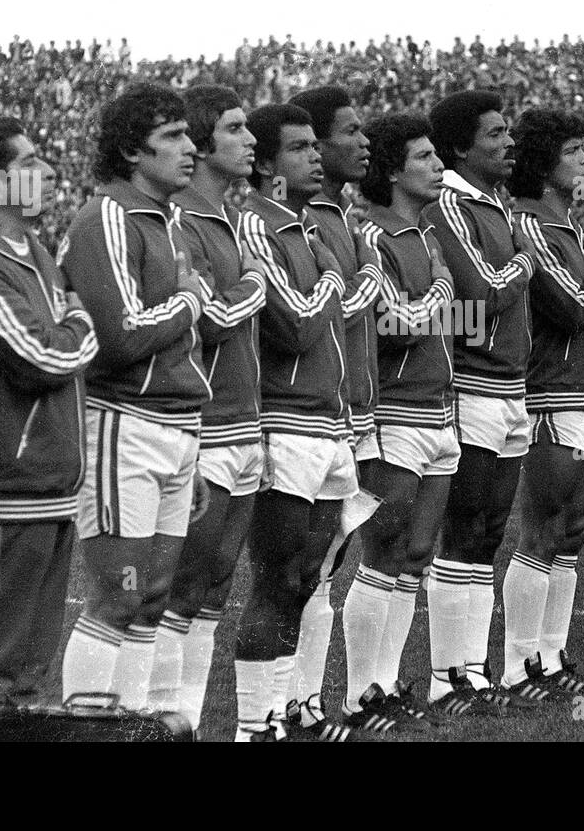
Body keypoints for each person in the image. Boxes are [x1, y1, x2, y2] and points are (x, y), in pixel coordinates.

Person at [0, 118, 99, 741]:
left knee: (29, 674)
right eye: (29, 162)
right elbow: (43, 357)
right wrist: (80, 321)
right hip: (2, 485)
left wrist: (69, 325)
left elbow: (58, 342)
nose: (46, 171)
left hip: (52, 482)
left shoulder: (31, 251)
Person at [58, 83, 208, 712]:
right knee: (117, 594)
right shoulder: (108, 218)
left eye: (187, 134)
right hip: (124, 425)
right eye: (172, 136)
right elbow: (117, 337)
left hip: (177, 427)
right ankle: (87, 725)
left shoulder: (169, 221)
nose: (190, 148)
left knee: (154, 593)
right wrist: (188, 300)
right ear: (130, 151)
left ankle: (134, 722)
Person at [234, 104, 356, 741]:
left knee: (308, 578)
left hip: (328, 422)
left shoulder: (307, 225)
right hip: (284, 423)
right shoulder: (257, 224)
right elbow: (298, 325)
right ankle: (252, 727)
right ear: (266, 165)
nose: (315, 156)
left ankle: (281, 717)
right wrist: (336, 274)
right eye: (299, 148)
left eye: (316, 145)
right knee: (278, 579)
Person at [148, 85, 267, 736]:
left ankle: (185, 720)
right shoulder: (182, 220)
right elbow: (213, 317)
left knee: (216, 587)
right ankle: (164, 722)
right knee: (183, 588)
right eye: (233, 128)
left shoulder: (225, 215)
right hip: (209, 423)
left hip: (246, 422)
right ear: (200, 141)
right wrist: (256, 278)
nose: (248, 140)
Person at [421, 90, 540, 711]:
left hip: (509, 384)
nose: (509, 143)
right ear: (461, 147)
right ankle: (446, 675)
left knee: (489, 529)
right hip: (471, 384)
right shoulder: (448, 203)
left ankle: (471, 666)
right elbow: (480, 293)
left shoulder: (494, 203)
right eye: (495, 134)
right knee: (464, 527)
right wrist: (525, 258)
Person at [342, 113, 460, 725]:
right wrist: (441, 288)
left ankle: (384, 686)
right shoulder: (377, 238)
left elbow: (435, 320)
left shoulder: (426, 234)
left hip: (439, 412)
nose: (439, 167)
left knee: (417, 554)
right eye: (424, 158)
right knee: (382, 553)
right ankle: (359, 693)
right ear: (392, 172)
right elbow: (399, 324)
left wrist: (436, 292)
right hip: (394, 412)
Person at [284, 86, 383, 733]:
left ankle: (307, 700)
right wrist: (373, 268)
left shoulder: (340, 214)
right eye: (349, 131)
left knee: (327, 564)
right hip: (315, 416)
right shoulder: (309, 220)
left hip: (352, 412)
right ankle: (291, 703)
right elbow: (331, 308)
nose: (363, 140)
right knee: (304, 568)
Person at [504, 108, 584, 696]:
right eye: (573, 151)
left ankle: (552, 653)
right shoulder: (533, 226)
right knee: (542, 531)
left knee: (572, 532)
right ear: (545, 163)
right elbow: (573, 305)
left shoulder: (570, 227)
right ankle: (520, 665)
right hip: (550, 394)